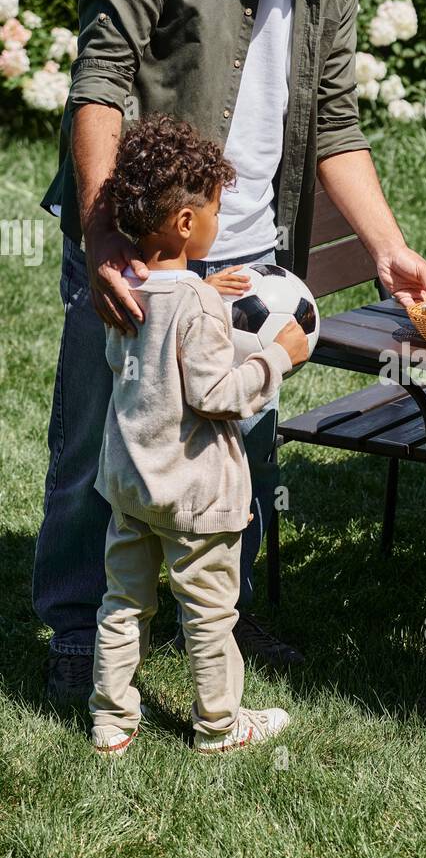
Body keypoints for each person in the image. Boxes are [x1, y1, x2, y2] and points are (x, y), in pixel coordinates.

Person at [34, 0, 426, 703]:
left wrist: (387, 247)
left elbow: (336, 125)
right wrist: (103, 236)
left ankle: (220, 607)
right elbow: (99, 83)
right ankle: (70, 624)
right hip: (140, 239)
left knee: (241, 440)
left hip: (250, 246)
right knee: (100, 434)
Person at [90, 114, 309, 754]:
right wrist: (280, 357)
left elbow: (141, 353)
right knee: (210, 615)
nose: (219, 220)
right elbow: (216, 395)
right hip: (195, 498)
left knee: (123, 604)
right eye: (215, 208)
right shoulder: (200, 305)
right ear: (187, 223)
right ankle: (219, 725)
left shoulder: (125, 290)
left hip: (131, 485)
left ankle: (111, 720)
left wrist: (200, 292)